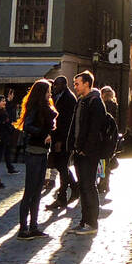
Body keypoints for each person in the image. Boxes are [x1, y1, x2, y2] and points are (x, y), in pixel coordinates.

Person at [13, 79, 56, 239]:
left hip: (43, 152)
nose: (50, 94)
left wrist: (50, 135)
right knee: (30, 190)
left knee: (37, 191)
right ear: (41, 92)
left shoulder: (46, 107)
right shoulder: (34, 107)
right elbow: (27, 127)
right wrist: (42, 134)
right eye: (48, 91)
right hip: (34, 152)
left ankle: (34, 226)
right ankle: (23, 229)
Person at [66, 70, 108, 235]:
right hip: (79, 152)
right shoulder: (81, 101)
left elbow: (94, 130)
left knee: (89, 187)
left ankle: (92, 223)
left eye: (77, 84)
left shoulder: (95, 102)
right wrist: (72, 146)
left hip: (89, 154)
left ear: (86, 84)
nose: (75, 86)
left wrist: (85, 149)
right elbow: (74, 126)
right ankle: (84, 221)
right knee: (83, 187)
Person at [48, 75, 78, 210]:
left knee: (62, 165)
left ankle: (62, 197)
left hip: (64, 139)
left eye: (57, 85)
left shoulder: (69, 99)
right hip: (57, 137)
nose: (55, 87)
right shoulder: (58, 96)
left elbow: (66, 122)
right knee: (60, 166)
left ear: (64, 85)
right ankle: (73, 188)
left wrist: (60, 140)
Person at [98, 84, 121, 198]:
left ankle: (103, 184)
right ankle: (105, 183)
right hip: (111, 137)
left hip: (104, 137)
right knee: (105, 161)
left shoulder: (103, 105)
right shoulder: (114, 105)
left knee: (102, 162)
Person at [3, 87, 20, 175]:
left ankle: (10, 167)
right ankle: (10, 167)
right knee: (4, 149)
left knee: (6, 150)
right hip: (6, 130)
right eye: (12, 94)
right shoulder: (6, 104)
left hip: (8, 129)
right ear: (9, 94)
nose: (13, 96)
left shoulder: (9, 104)